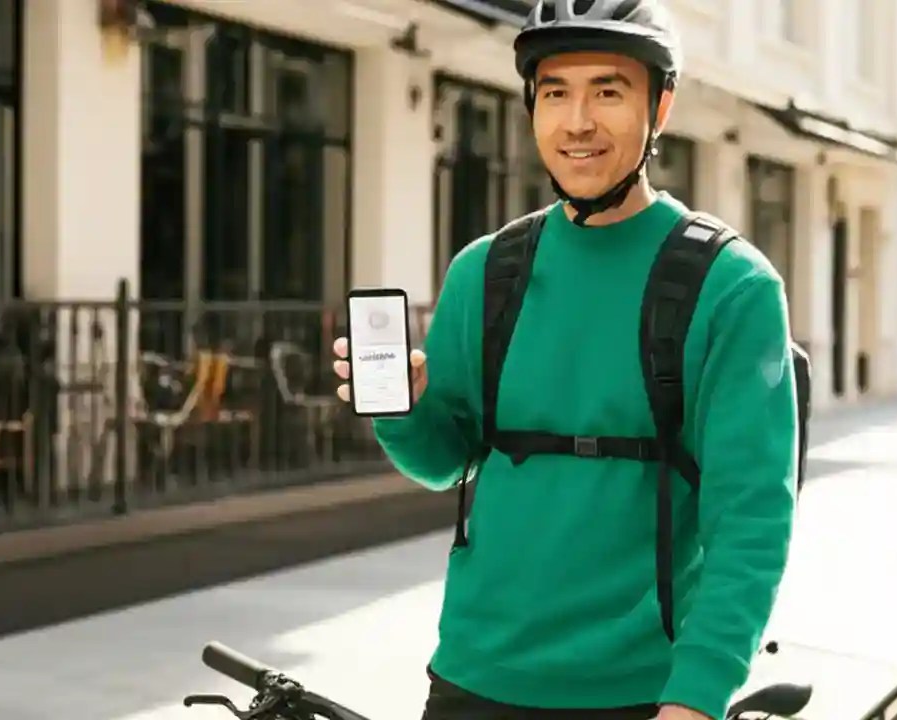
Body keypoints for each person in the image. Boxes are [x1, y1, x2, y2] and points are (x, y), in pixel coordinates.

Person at [332, 1, 797, 718]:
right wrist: (406, 409)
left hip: (643, 693)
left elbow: (751, 518)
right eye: (555, 93)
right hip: (473, 677)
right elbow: (443, 462)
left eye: (607, 91)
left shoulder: (732, 286)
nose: (577, 121)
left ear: (660, 106)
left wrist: (699, 695)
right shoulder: (484, 272)